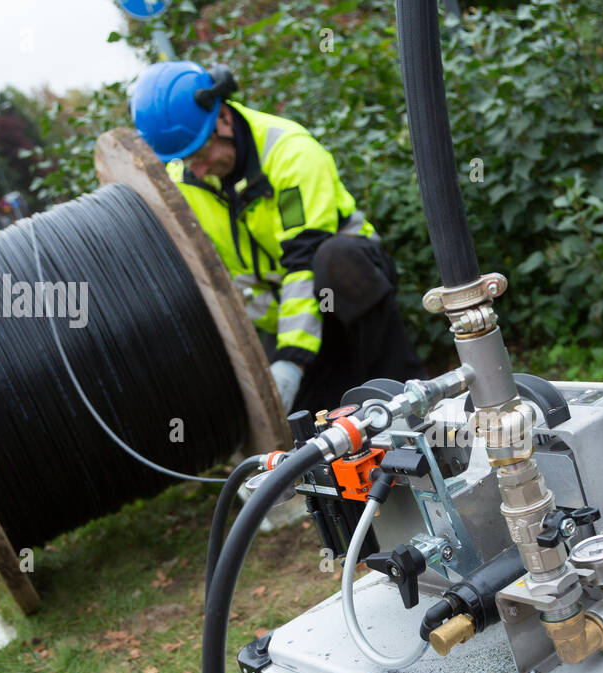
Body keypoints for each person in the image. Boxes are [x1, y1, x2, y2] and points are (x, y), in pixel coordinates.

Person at [129, 61, 427, 413]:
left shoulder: (290, 154)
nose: (198, 169)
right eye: (184, 159)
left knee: (335, 260)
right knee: (313, 429)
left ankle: (406, 402)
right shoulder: (185, 181)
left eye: (200, 153)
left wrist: (291, 361)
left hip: (345, 294)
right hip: (285, 318)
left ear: (223, 117)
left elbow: (304, 260)